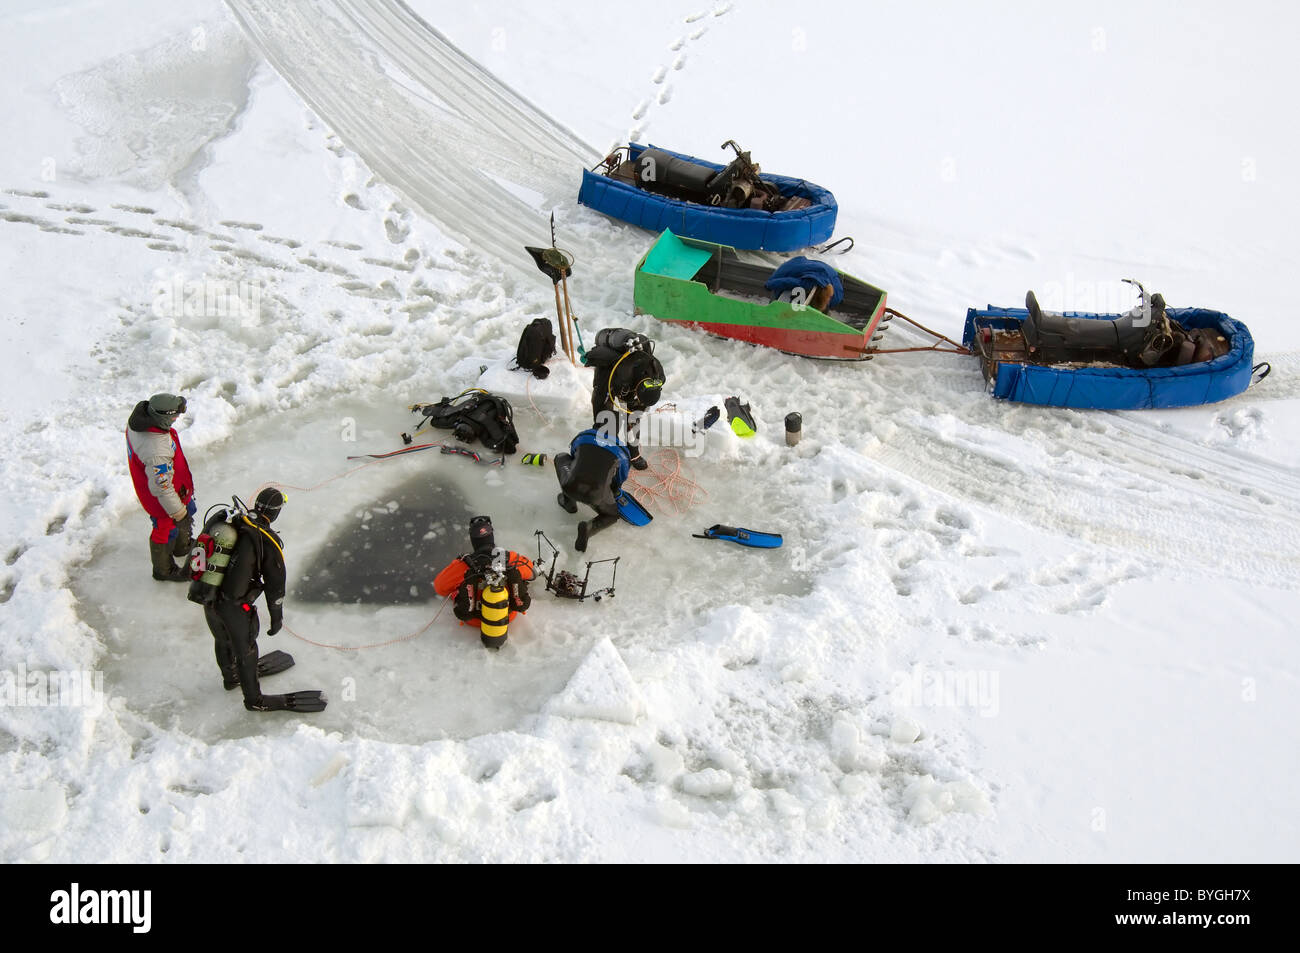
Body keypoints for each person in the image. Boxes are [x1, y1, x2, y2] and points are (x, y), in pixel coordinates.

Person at [202, 487, 326, 712]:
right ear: (276, 512)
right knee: (246, 650)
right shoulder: (265, 540)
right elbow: (275, 586)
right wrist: (276, 618)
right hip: (235, 606)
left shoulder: (230, 521)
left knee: (222, 639)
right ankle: (255, 700)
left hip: (209, 595)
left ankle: (231, 677)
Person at [434, 516, 535, 649]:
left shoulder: (463, 565)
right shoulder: (509, 558)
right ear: (491, 536)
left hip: (473, 620)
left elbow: (439, 587)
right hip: (507, 616)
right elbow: (531, 571)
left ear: (473, 540)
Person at [126, 393, 196, 582]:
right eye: (174, 416)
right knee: (165, 530)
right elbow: (162, 489)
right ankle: (163, 570)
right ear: (163, 418)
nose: (177, 419)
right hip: (161, 500)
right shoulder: (155, 448)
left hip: (177, 490)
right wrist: (179, 514)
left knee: (189, 510)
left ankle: (182, 546)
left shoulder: (142, 420)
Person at [583, 328, 665, 471]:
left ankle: (633, 453)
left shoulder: (659, 374)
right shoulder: (621, 377)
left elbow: (637, 410)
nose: (640, 404)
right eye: (640, 400)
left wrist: (635, 411)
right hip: (609, 379)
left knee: (635, 418)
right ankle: (603, 450)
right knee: (606, 418)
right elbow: (600, 399)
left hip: (635, 383)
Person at [554, 428, 636, 552]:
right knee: (612, 515)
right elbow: (620, 479)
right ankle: (588, 529)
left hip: (570, 485)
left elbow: (572, 455)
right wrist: (611, 493)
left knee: (560, 457)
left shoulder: (583, 436)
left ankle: (569, 503)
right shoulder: (623, 453)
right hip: (596, 494)